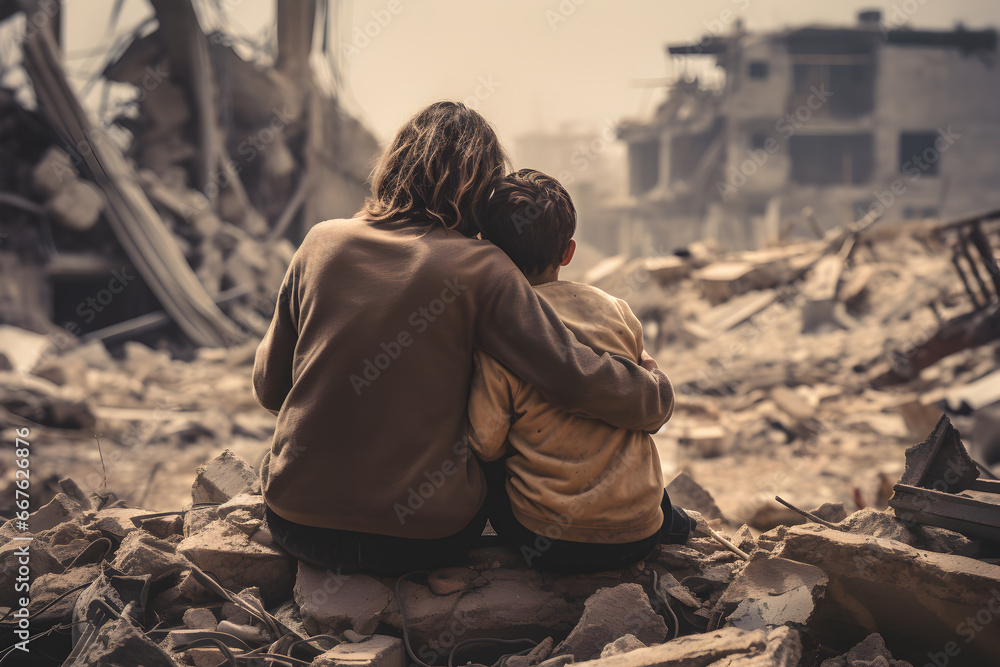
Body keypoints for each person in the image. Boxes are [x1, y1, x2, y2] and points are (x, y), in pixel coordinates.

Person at [253, 101, 675, 575]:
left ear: (394, 165)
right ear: (480, 188)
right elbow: (572, 377)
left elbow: (271, 389)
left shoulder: (319, 242)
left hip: (296, 522)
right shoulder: (482, 268)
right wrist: (653, 392)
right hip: (422, 539)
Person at [468, 169, 694, 573]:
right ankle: (668, 517)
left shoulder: (499, 335)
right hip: (642, 532)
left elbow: (486, 445)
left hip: (551, 544)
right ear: (569, 252)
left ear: (490, 254)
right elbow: (642, 400)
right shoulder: (617, 310)